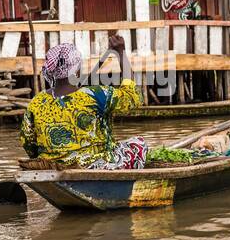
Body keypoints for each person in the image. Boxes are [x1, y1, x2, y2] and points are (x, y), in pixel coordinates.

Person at [19, 36, 147, 168]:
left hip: (52, 164)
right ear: (77, 70)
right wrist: (121, 52)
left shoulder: (37, 102)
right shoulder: (96, 95)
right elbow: (133, 96)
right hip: (93, 165)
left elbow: (28, 142)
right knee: (139, 144)